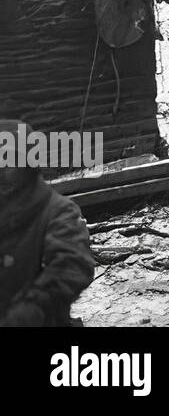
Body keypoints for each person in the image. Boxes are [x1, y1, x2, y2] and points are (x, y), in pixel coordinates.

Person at [0, 119, 95, 325]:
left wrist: (32, 308)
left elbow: (73, 265)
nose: (2, 169)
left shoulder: (57, 210)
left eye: (9, 159)